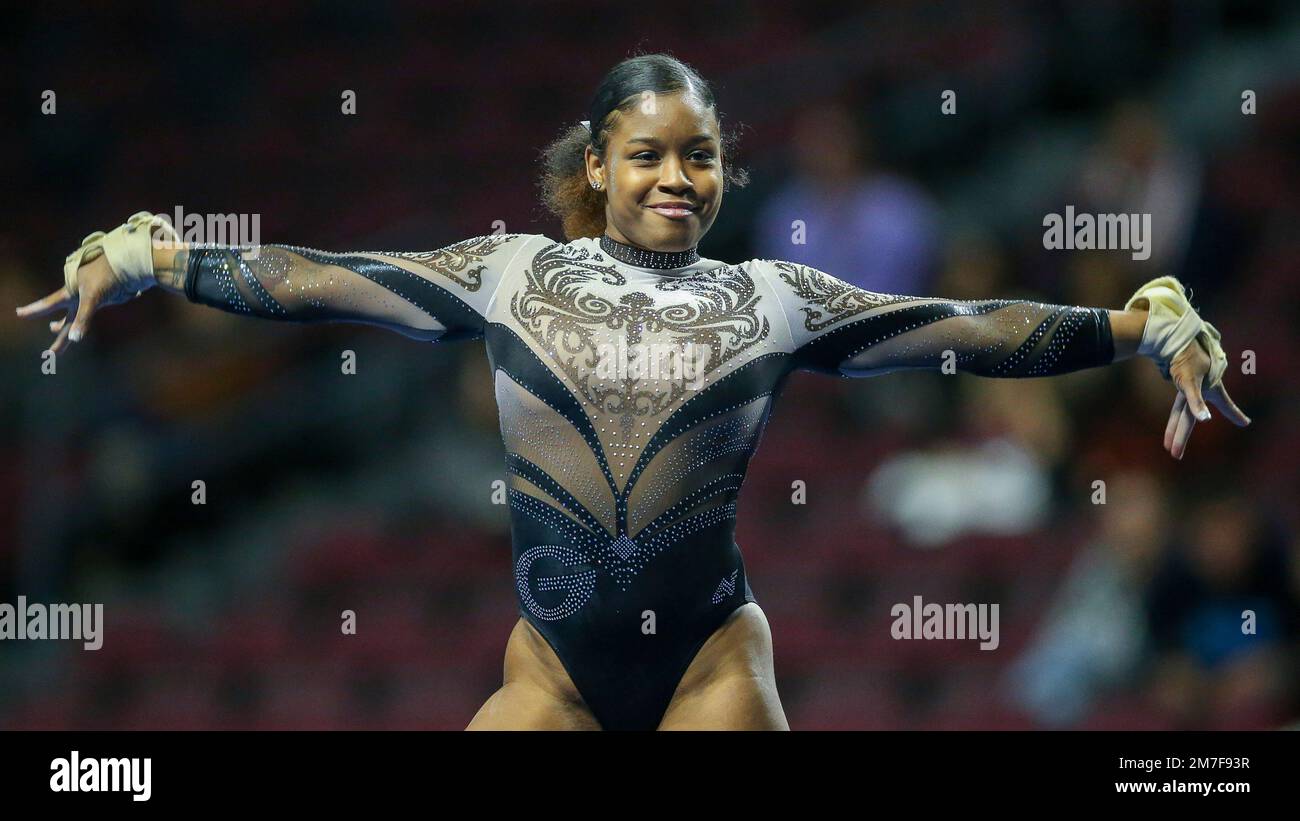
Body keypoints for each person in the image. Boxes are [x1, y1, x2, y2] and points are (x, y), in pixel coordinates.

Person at [16, 54, 1250, 730]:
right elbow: (323, 280)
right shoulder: (509, 275)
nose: (677, 176)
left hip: (710, 664)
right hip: (551, 666)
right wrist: (160, 257)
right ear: (596, 161)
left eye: (700, 155)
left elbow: (966, 329)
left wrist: (1136, 325)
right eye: (650, 153)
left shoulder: (771, 298)